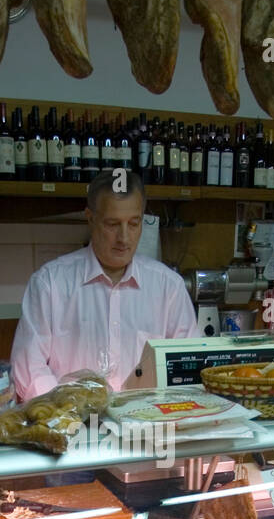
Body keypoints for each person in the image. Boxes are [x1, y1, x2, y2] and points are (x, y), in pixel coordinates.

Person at [10, 169, 197, 401]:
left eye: (134, 223)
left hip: (149, 424)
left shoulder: (169, 287)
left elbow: (186, 366)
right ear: (90, 218)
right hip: (73, 425)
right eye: (112, 224)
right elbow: (29, 367)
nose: (124, 238)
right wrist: (65, 413)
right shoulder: (50, 283)